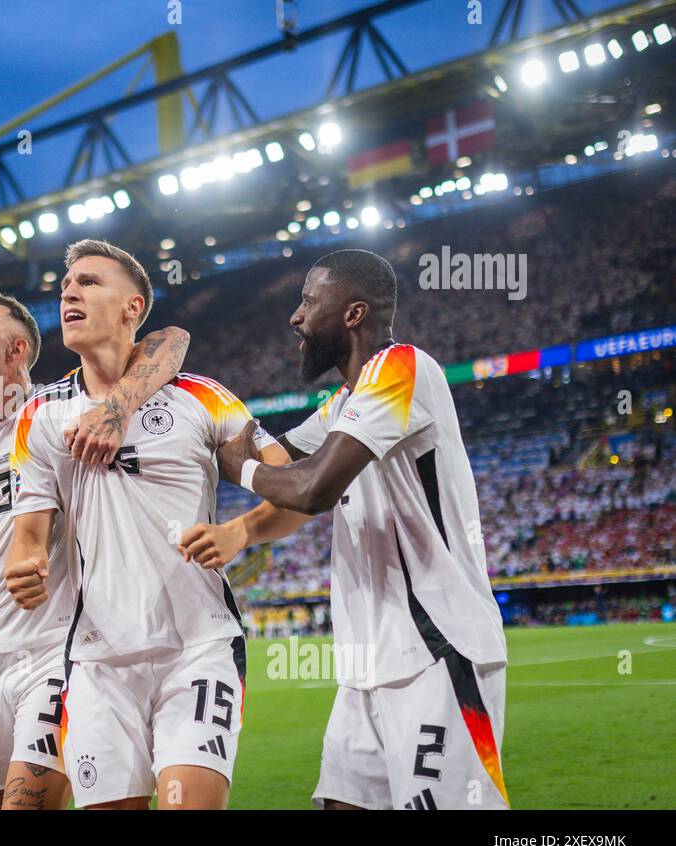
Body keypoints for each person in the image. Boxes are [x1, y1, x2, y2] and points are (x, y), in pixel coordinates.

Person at [179, 248, 510, 810]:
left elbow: (313, 489)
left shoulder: (401, 366)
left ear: (353, 314)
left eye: (310, 300)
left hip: (437, 649)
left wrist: (241, 467)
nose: (296, 316)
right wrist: (238, 521)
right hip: (368, 665)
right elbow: (287, 467)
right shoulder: (343, 403)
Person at [5, 240, 289, 809]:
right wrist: (25, 566)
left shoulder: (200, 399)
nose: (68, 292)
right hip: (96, 659)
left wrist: (241, 531)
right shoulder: (38, 416)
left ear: (133, 307)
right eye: (65, 285)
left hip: (199, 645)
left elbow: (295, 488)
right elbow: (28, 535)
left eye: (88, 282)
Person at [0, 288, 190, 810]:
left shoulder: (65, 412)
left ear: (16, 351)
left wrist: (115, 407)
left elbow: (171, 340)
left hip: (60, 651)